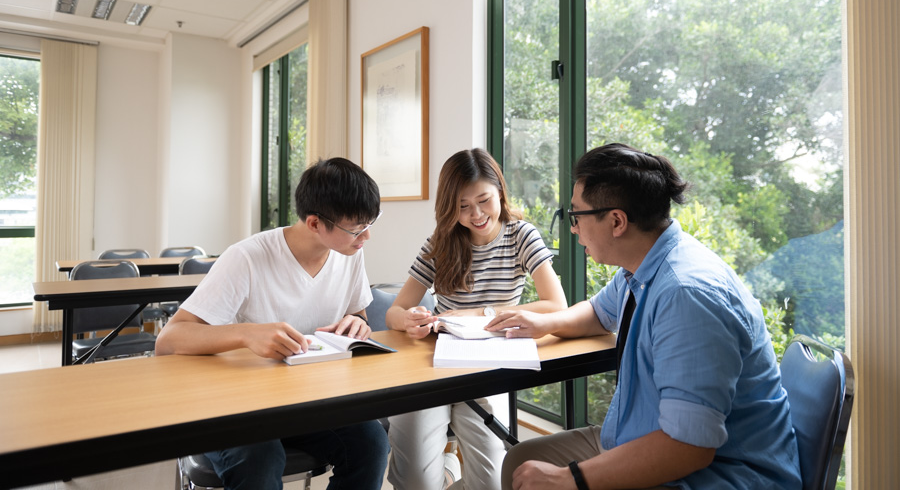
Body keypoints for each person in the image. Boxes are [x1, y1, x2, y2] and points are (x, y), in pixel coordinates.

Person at [489, 143, 802, 490]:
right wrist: (544, 323)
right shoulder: (644, 264)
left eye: (576, 216)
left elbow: (689, 448)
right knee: (519, 462)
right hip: (649, 434)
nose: (573, 229)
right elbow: (598, 311)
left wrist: (570, 479)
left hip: (720, 472)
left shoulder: (687, 295)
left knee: (541, 479)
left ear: (617, 221)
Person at [155, 157, 390, 490]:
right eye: (356, 227)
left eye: (371, 222)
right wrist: (246, 334)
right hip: (236, 404)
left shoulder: (349, 251)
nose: (366, 235)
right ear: (314, 224)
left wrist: (356, 322)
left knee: (372, 443)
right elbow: (168, 341)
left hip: (306, 400)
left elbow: (357, 311)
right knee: (260, 460)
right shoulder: (247, 258)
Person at [385, 148, 568, 490]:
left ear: (499, 190)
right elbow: (394, 311)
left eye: (484, 200)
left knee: (490, 483)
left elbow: (556, 305)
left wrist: (478, 313)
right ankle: (449, 468)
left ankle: (450, 469)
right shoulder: (439, 243)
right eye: (463, 206)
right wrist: (408, 319)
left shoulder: (520, 235)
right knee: (415, 482)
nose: (477, 214)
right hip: (434, 364)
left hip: (490, 365)